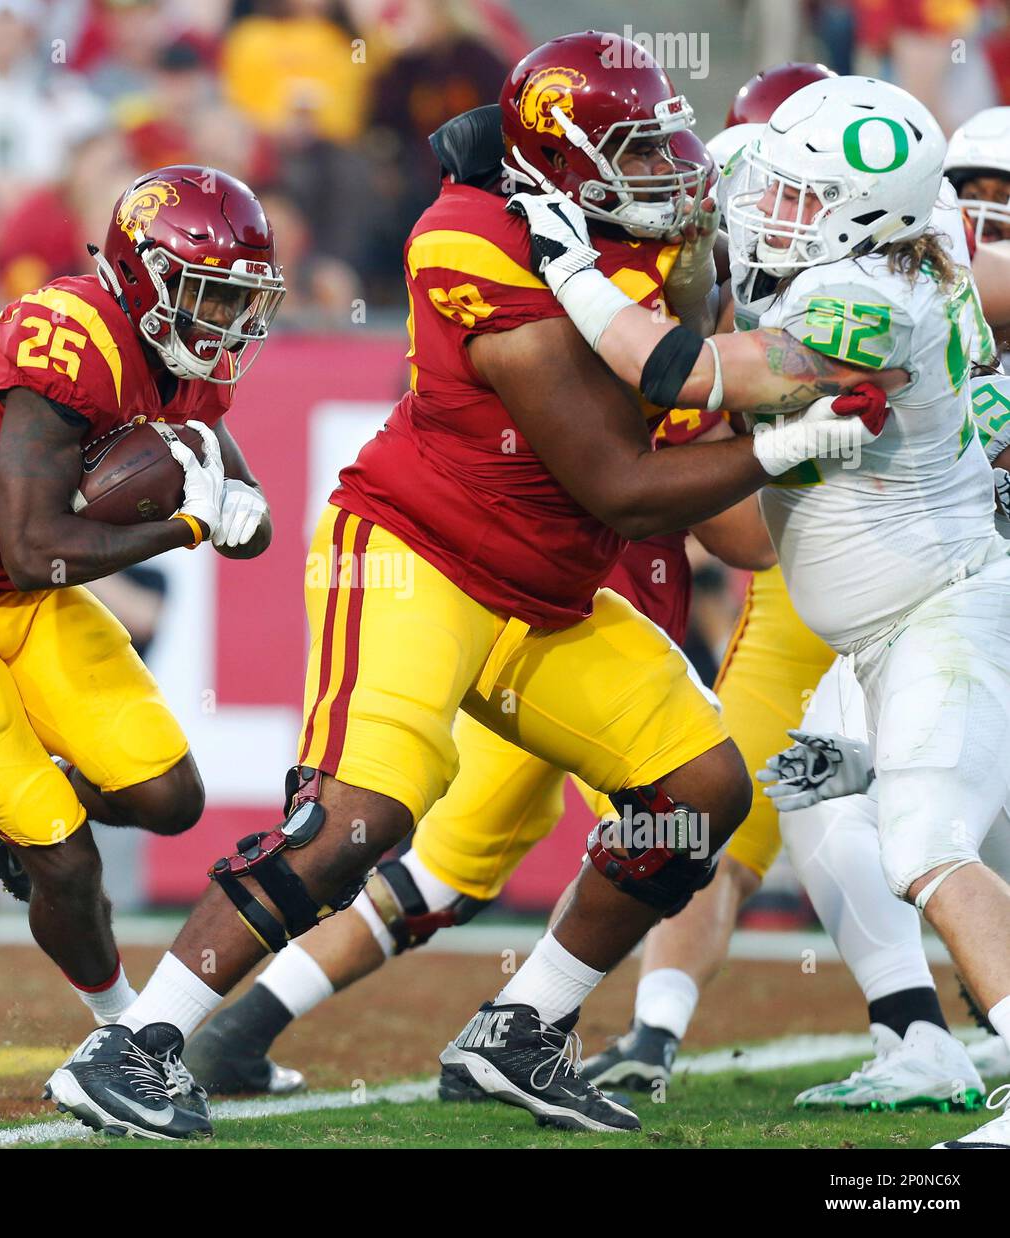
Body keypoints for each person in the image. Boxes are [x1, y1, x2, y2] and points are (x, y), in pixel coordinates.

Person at [45, 32, 886, 1142]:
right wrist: (795, 439)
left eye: (658, 147)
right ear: (563, 164)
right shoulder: (470, 238)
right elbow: (621, 485)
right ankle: (134, 1040)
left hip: (547, 593)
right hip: (415, 556)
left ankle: (521, 1027)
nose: (662, 175)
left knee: (699, 789)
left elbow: (722, 520)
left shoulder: (650, 235)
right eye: (629, 154)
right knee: (351, 820)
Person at [518, 72, 1010, 1150]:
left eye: (798, 198)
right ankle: (915, 1035)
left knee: (927, 837)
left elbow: (677, 367)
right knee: (820, 804)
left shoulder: (878, 299)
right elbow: (716, 166)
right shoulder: (833, 202)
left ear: (867, 219)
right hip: (878, 631)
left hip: (944, 612)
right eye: (777, 183)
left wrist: (564, 266)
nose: (765, 208)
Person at [0, 165, 282, 1044]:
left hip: (28, 600)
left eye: (241, 300)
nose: (228, 321)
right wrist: (191, 527)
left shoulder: (184, 359)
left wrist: (245, 511)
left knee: (169, 799)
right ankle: (118, 1029)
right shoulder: (65, 335)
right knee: (68, 863)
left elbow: (245, 499)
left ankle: (40, 813)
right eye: (210, 294)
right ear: (147, 275)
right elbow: (36, 549)